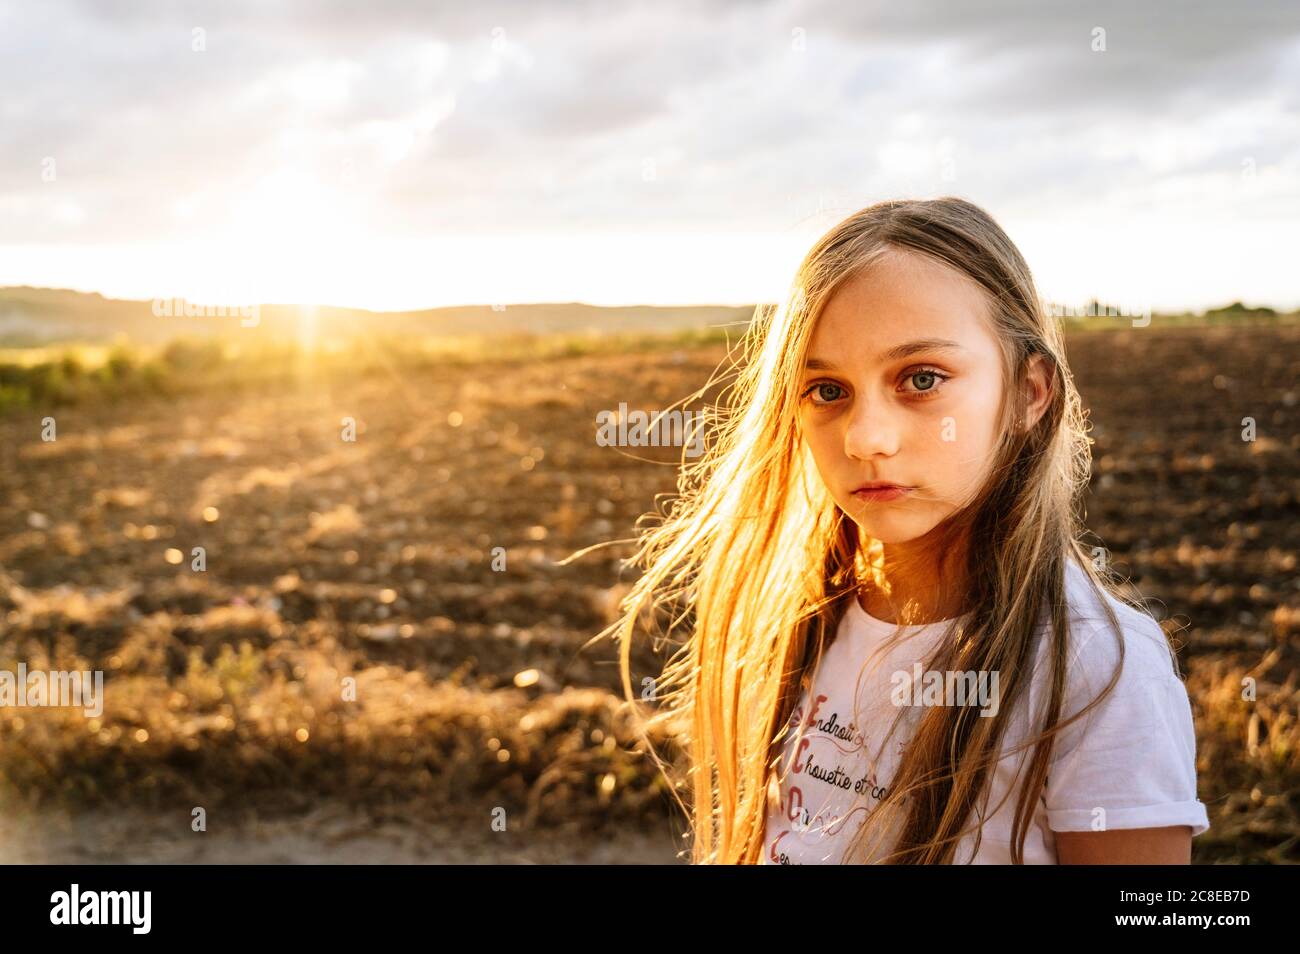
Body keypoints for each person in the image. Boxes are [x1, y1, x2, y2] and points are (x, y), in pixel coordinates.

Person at [598, 196, 1209, 864]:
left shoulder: (1093, 671)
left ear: (1030, 393)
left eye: (921, 379)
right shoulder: (801, 618)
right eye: (827, 390)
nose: (865, 438)